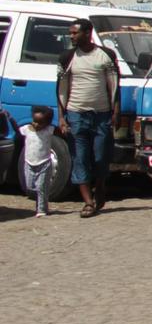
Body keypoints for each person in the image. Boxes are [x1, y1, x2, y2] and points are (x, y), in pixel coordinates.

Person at [56, 20, 121, 218]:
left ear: (87, 33)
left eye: (75, 33)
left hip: (101, 115)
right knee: (80, 157)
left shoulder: (106, 55)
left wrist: (116, 112)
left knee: (101, 157)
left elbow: (115, 86)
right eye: (70, 33)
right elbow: (60, 90)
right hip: (76, 114)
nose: (71, 36)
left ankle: (100, 186)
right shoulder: (67, 57)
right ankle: (88, 202)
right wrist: (62, 117)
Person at [21, 105, 66, 217]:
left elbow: (60, 131)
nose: (36, 124)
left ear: (47, 123)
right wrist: (10, 119)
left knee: (42, 187)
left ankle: (42, 209)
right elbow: (18, 133)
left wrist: (64, 126)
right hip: (29, 162)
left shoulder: (49, 131)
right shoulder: (27, 129)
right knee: (30, 186)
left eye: (40, 122)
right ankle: (39, 203)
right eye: (34, 121)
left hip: (44, 163)